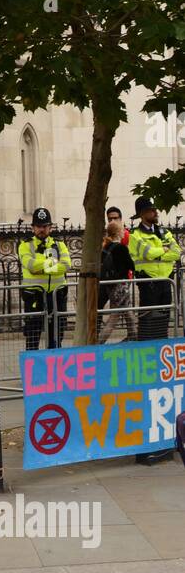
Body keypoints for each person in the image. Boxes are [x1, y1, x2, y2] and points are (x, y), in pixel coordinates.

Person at [130, 196, 180, 465]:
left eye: (155, 209)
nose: (155, 213)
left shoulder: (165, 231)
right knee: (149, 321)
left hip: (165, 281)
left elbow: (177, 251)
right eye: (150, 210)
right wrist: (163, 252)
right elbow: (146, 255)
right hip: (149, 282)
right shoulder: (135, 235)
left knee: (164, 322)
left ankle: (160, 352)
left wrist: (162, 251)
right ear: (141, 214)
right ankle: (150, 353)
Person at [18, 208, 71, 350]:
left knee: (56, 338)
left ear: (50, 227)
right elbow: (30, 266)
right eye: (39, 226)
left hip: (56, 296)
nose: (42, 229)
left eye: (45, 226)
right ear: (33, 228)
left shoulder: (59, 245)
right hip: (34, 297)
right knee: (32, 338)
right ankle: (33, 371)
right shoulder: (25, 245)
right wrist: (53, 266)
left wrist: (40, 268)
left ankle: (54, 369)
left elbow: (66, 265)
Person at [98, 212, 136, 343]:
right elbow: (130, 265)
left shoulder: (105, 247)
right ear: (119, 232)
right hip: (121, 286)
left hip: (111, 286)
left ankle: (133, 337)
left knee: (129, 314)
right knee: (114, 317)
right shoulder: (121, 248)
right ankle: (99, 343)